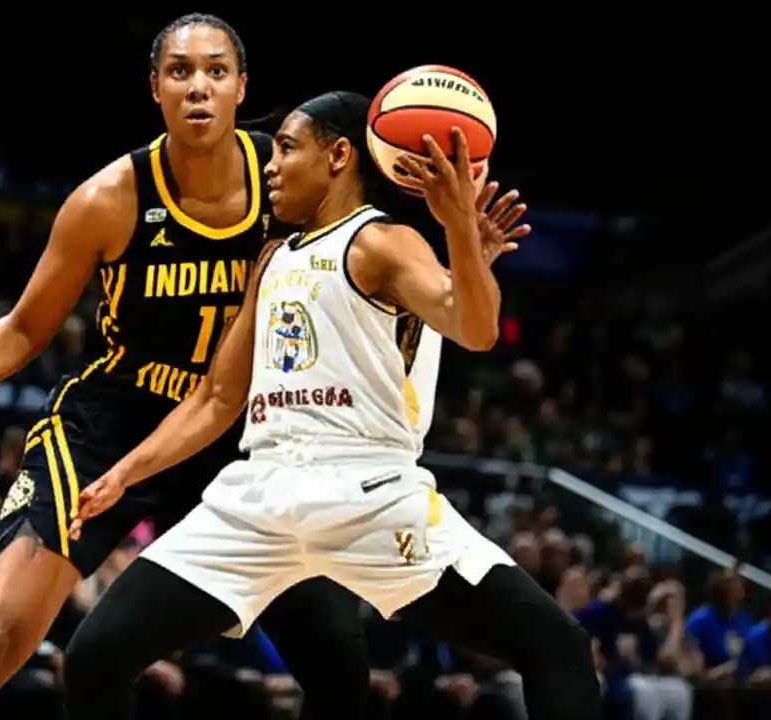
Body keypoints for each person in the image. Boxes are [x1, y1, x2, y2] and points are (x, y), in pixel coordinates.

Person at [0, 15, 379, 720]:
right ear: (156, 89)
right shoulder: (108, 199)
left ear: (243, 86)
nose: (199, 88)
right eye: (180, 72)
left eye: (216, 71)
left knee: (337, 653)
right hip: (113, 425)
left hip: (241, 438)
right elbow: (27, 327)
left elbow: (375, 232)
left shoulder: (287, 176)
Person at [61, 91, 603, 720]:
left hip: (368, 492)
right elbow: (215, 398)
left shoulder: (385, 242)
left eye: (288, 147)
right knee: (94, 657)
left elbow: (475, 327)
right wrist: (125, 473)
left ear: (339, 155)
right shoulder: (271, 259)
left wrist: (458, 232)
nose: (270, 164)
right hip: (258, 496)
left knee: (557, 646)